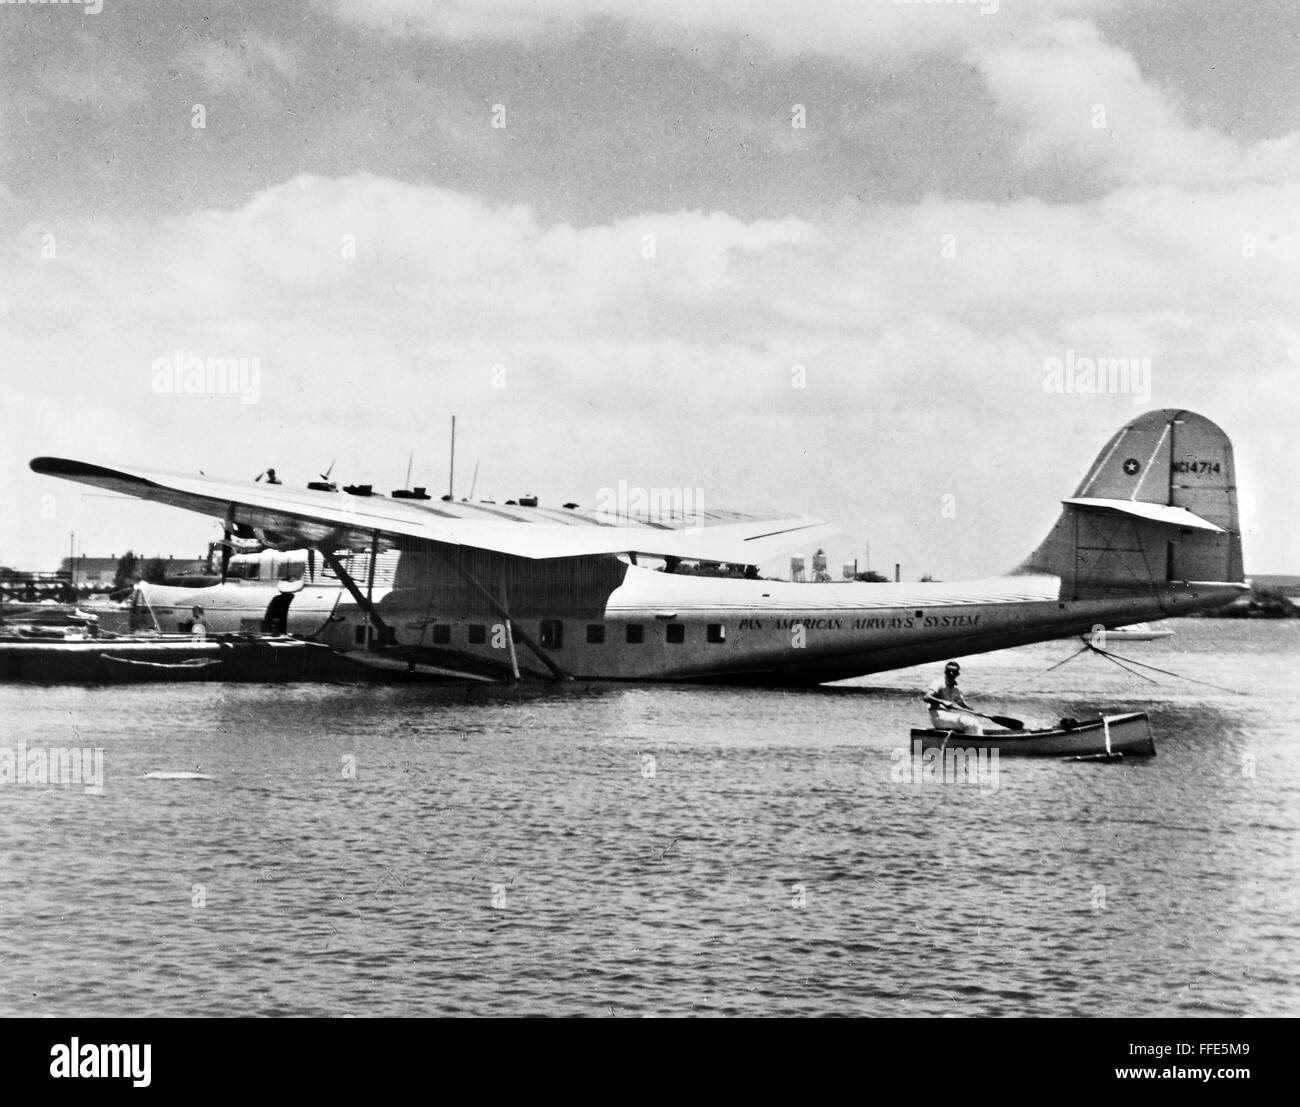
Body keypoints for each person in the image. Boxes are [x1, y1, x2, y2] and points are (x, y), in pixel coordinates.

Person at [923, 661, 983, 733]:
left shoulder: (955, 689)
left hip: (947, 716)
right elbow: (926, 697)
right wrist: (942, 701)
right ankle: (970, 743)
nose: (951, 673)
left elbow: (962, 703)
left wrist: (974, 712)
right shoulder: (938, 683)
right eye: (949, 671)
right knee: (971, 722)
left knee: (978, 725)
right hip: (938, 716)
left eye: (954, 672)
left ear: (957, 674)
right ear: (945, 672)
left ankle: (978, 743)